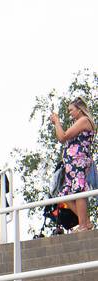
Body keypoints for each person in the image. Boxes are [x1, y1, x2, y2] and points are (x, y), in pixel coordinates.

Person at [53, 98, 95, 231]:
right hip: (72, 164)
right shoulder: (79, 122)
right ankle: (86, 222)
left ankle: (83, 225)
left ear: (79, 109)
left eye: (71, 110)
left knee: (78, 191)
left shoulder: (83, 120)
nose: (70, 113)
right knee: (64, 194)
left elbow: (63, 136)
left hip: (79, 161)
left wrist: (57, 122)